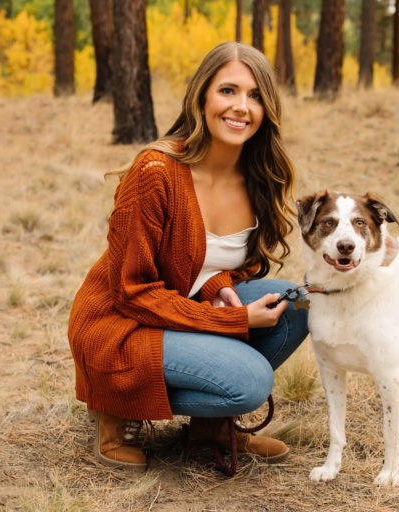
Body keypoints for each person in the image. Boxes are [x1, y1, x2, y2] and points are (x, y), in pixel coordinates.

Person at [67, 42, 308, 472]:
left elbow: (232, 265)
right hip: (119, 324)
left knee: (298, 305)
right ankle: (116, 405)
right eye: (228, 91)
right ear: (202, 97)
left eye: (255, 96)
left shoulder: (256, 174)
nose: (241, 107)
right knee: (250, 381)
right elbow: (130, 293)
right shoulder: (156, 173)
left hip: (180, 309)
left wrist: (218, 287)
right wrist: (233, 320)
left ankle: (209, 428)